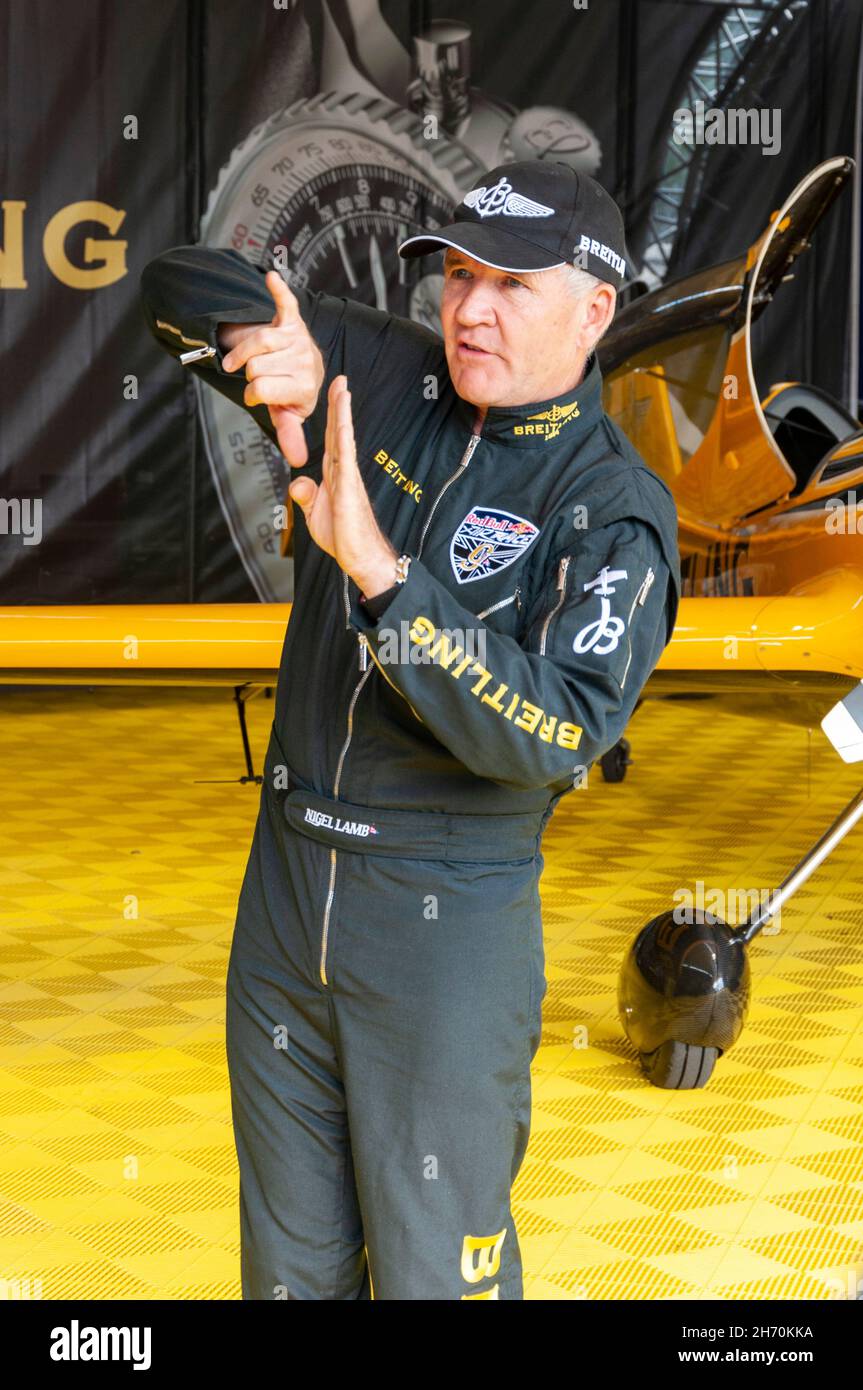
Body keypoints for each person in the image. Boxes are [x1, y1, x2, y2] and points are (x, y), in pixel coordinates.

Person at [139, 159, 682, 1301]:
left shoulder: (611, 507)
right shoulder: (383, 370)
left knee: (437, 1277)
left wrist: (383, 579)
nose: (468, 309)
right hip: (286, 902)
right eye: (457, 275)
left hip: (443, 933)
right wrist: (251, 331)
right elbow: (175, 287)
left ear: (594, 310)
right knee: (287, 1271)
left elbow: (557, 729)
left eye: (511, 285)